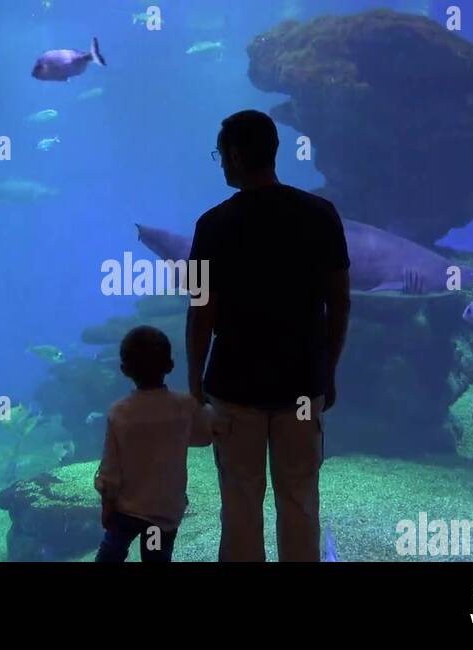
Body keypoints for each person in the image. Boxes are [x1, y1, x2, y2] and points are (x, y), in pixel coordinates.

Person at [186, 109, 352, 562]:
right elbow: (339, 302)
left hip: (234, 388)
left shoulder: (212, 226)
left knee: (239, 503)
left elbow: (201, 312)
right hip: (302, 384)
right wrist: (328, 371)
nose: (221, 162)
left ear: (237, 155)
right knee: (299, 499)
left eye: (222, 154)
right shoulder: (320, 215)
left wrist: (194, 385)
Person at [94, 326, 212, 562]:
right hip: (165, 509)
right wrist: (204, 403)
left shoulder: (119, 412)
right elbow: (204, 437)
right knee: (157, 557)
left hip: (125, 510)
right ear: (170, 365)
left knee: (110, 555)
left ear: (124, 369)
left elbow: (110, 469)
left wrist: (107, 505)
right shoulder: (184, 406)